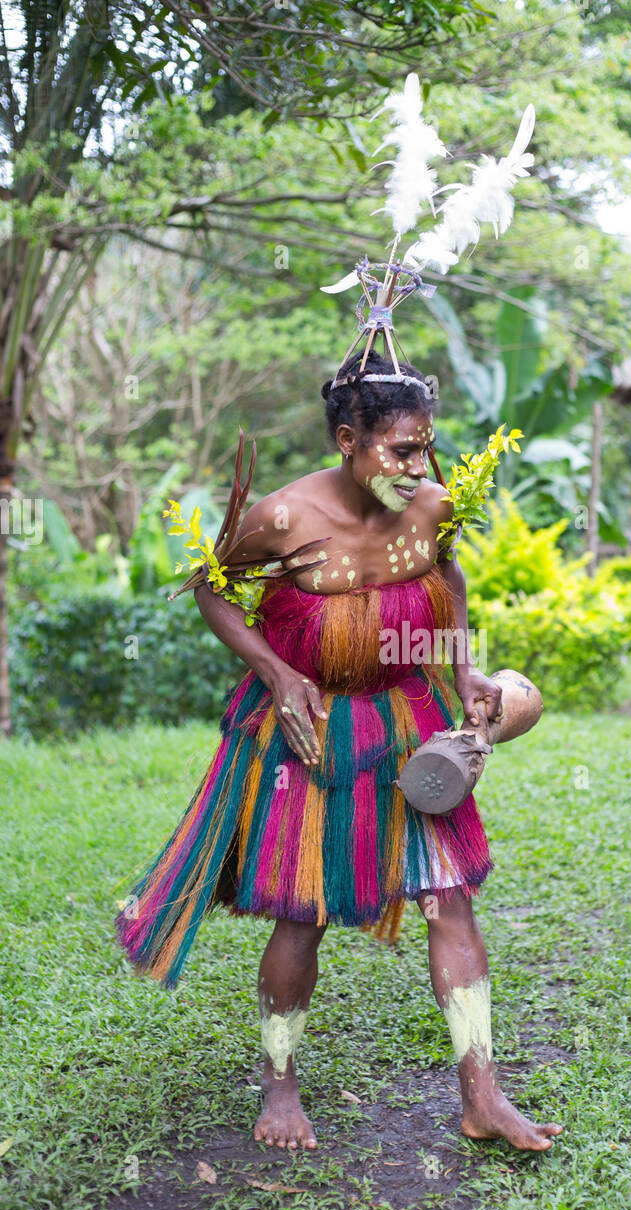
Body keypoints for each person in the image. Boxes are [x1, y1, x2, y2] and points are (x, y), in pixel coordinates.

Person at [116, 347, 563, 1155]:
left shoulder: (431, 506)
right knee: (302, 913)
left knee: (451, 900)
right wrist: (277, 672)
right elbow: (215, 590)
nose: (418, 464)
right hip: (312, 732)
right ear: (347, 439)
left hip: (407, 724)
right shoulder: (283, 517)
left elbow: (449, 581)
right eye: (400, 448)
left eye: (426, 445)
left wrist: (462, 667)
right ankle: (279, 1086)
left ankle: (482, 1097)